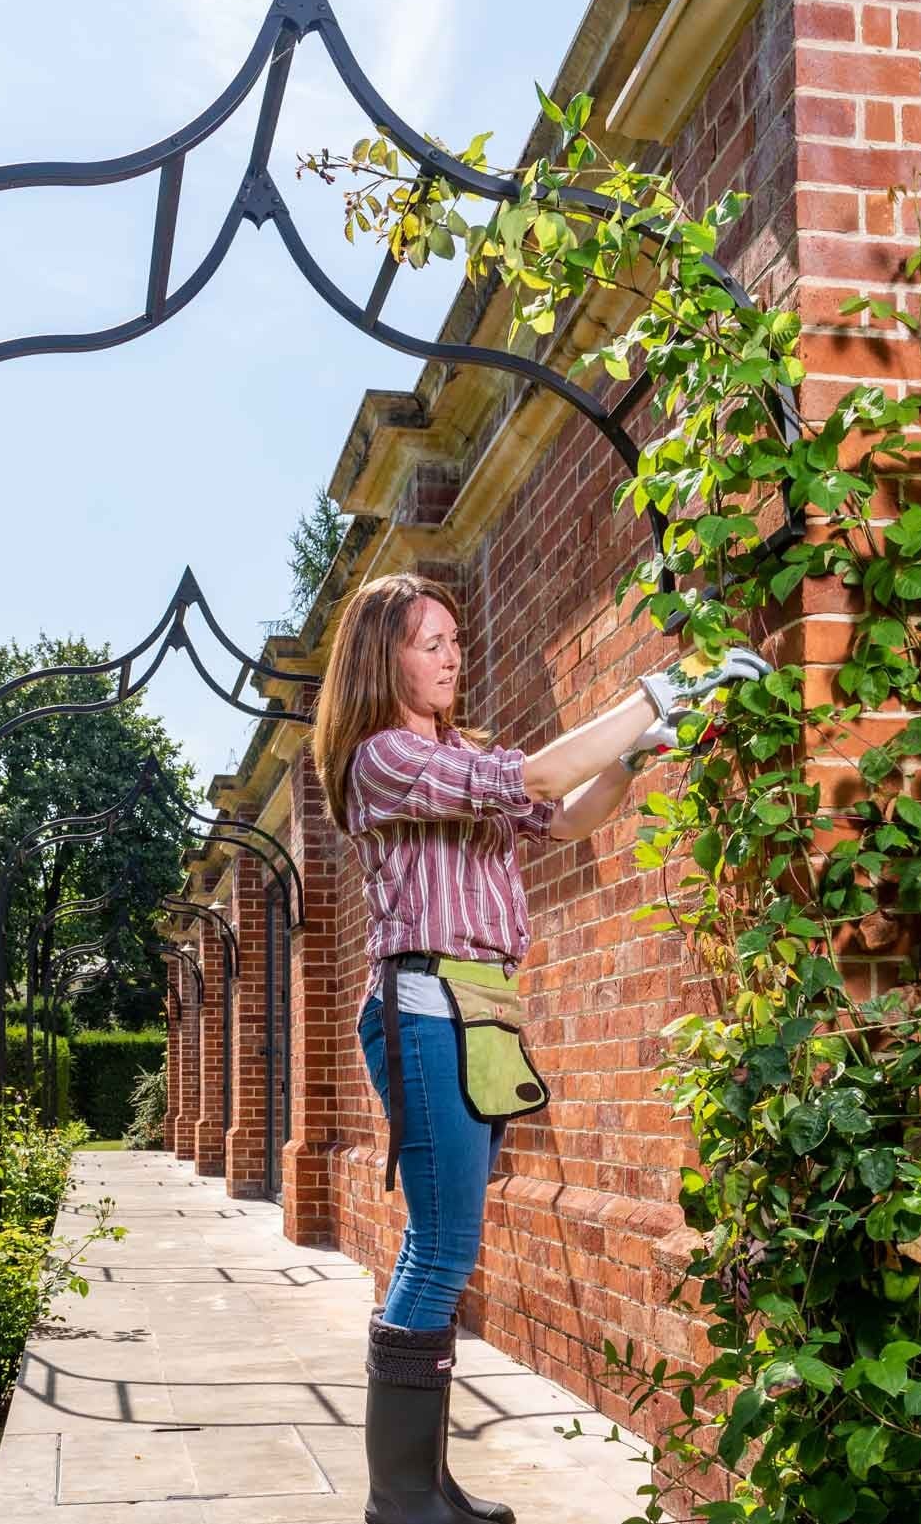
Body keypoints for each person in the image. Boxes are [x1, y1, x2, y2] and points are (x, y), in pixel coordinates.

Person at [311, 571, 771, 1524]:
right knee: (442, 1247)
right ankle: (398, 1499)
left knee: (445, 1243)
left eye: (454, 640)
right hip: (422, 1008)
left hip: (478, 1011)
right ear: (383, 658)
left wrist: (640, 751)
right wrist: (658, 690)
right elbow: (537, 779)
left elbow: (563, 815)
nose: (452, 657)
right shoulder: (382, 758)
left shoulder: (457, 753)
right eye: (430, 643)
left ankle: (428, 1484)